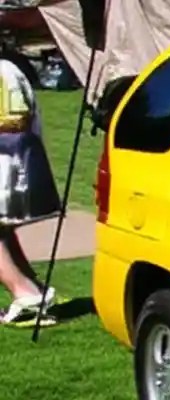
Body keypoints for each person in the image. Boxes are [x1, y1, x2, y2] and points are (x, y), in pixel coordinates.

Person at [0, 56, 60, 327]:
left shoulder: (3, 72)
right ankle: (34, 288)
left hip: (9, 159)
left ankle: (24, 292)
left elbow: (15, 118)